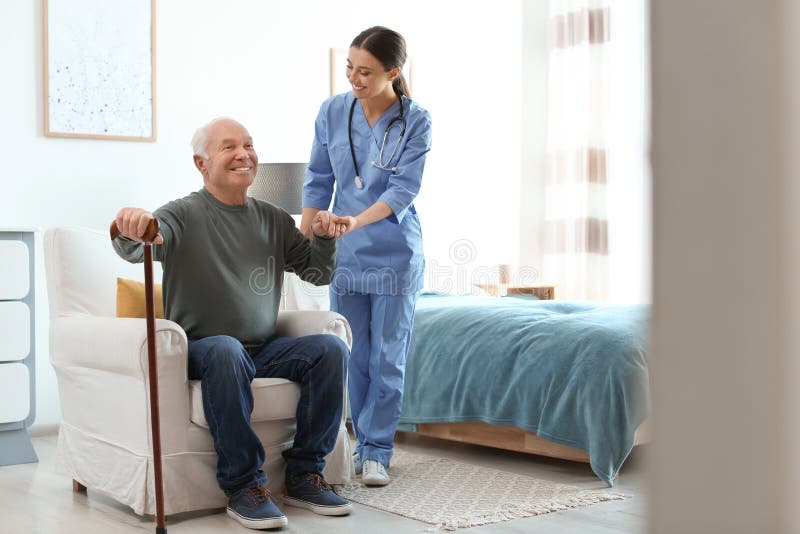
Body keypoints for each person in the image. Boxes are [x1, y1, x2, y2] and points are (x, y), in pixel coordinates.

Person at [112, 117, 353, 530]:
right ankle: (243, 486)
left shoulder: (273, 219)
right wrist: (126, 226)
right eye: (228, 147)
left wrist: (324, 237)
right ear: (201, 164)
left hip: (260, 350)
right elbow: (137, 247)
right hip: (205, 350)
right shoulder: (182, 214)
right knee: (226, 348)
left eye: (249, 144)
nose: (244, 154)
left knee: (330, 349)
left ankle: (304, 474)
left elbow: (317, 273)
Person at [300, 26, 432, 487]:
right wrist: (304, 240)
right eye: (350, 68)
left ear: (393, 73)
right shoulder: (333, 111)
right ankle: (357, 444)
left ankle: (377, 452)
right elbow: (317, 179)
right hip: (346, 257)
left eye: (366, 71)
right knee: (352, 355)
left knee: (387, 357)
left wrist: (354, 221)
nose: (354, 78)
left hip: (395, 255)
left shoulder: (415, 119)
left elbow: (402, 190)